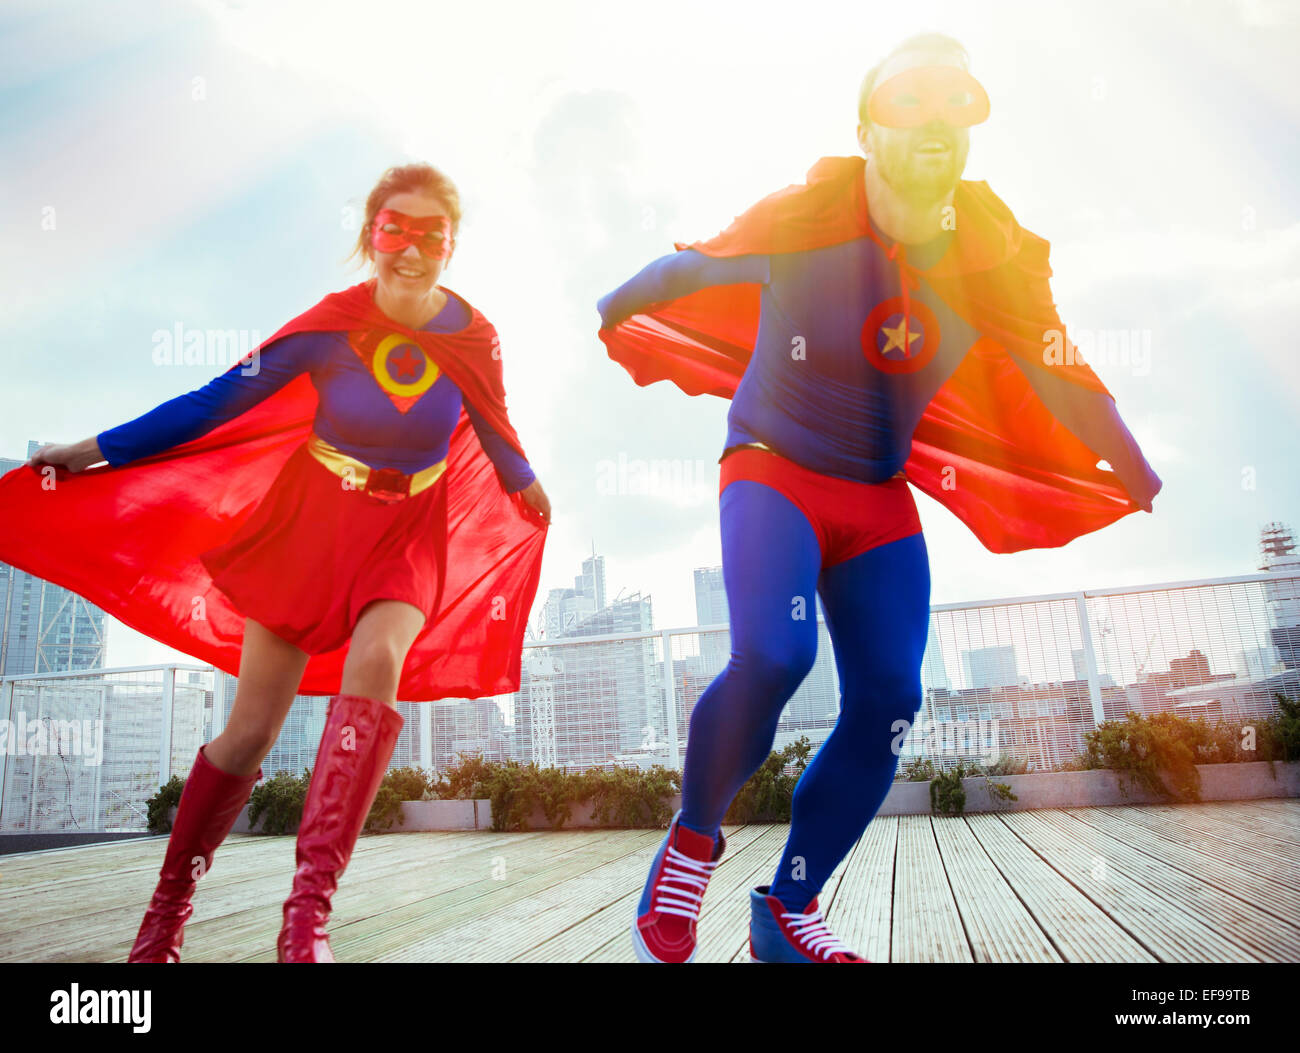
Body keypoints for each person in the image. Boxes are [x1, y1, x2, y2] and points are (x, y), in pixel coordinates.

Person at [596, 33, 1161, 964]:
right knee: (775, 653)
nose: (935, 119)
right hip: (774, 469)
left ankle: (788, 907)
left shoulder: (993, 251)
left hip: (877, 497)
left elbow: (1060, 373)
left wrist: (1132, 466)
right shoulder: (808, 209)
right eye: (911, 101)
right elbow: (699, 263)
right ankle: (693, 839)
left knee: (894, 698)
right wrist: (614, 303)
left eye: (956, 103)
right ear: (867, 128)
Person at [4, 162, 550, 962]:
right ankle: (165, 915)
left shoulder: (475, 333)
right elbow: (211, 404)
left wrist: (527, 483)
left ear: (451, 243)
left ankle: (306, 921)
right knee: (249, 734)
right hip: (312, 525)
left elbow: (495, 423)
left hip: (408, 534)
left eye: (431, 233)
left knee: (378, 658)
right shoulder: (330, 325)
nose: (411, 247)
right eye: (396, 227)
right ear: (371, 233)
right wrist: (90, 452)